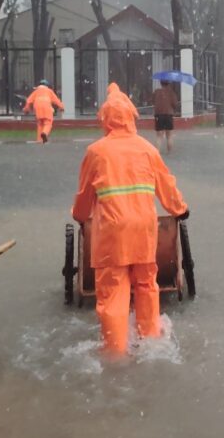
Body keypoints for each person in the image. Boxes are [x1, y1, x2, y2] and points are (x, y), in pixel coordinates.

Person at [72, 90, 189, 355]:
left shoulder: (96, 152)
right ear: (131, 117)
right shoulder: (146, 149)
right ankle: (152, 343)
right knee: (146, 284)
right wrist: (180, 209)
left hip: (112, 233)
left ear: (105, 119)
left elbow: (84, 196)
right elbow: (166, 185)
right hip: (144, 230)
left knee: (114, 291)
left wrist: (79, 215)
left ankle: (115, 354)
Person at [23, 79, 64, 144]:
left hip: (37, 107)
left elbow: (28, 101)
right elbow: (56, 100)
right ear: (47, 85)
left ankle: (39, 140)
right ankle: (44, 133)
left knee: (40, 123)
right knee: (48, 123)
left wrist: (26, 109)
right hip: (46, 106)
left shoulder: (36, 91)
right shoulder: (49, 91)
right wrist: (61, 107)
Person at [151, 79, 180, 154]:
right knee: (169, 135)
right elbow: (175, 104)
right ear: (168, 83)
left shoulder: (156, 92)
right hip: (169, 115)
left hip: (158, 115)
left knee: (159, 136)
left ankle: (157, 153)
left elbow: (152, 101)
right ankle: (169, 152)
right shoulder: (171, 92)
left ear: (161, 83)